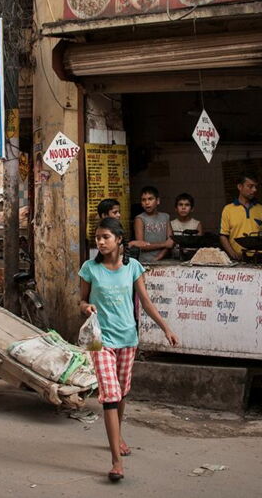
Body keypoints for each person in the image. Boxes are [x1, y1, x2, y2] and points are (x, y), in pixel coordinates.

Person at [78, 217, 178, 482]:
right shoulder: (89, 268)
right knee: (110, 395)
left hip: (128, 338)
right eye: (98, 237)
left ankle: (118, 434)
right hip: (99, 340)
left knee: (121, 393)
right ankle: (116, 461)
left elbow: (145, 301)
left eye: (106, 237)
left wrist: (165, 328)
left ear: (119, 239)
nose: (100, 242)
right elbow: (81, 300)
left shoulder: (133, 267)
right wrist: (86, 308)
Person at [130, 186, 174, 263]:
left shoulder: (165, 217)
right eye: (144, 200)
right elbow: (141, 245)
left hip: (164, 260)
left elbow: (171, 241)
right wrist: (164, 244)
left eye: (150, 199)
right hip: (145, 262)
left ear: (157, 201)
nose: (147, 203)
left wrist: (158, 257)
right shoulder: (140, 219)